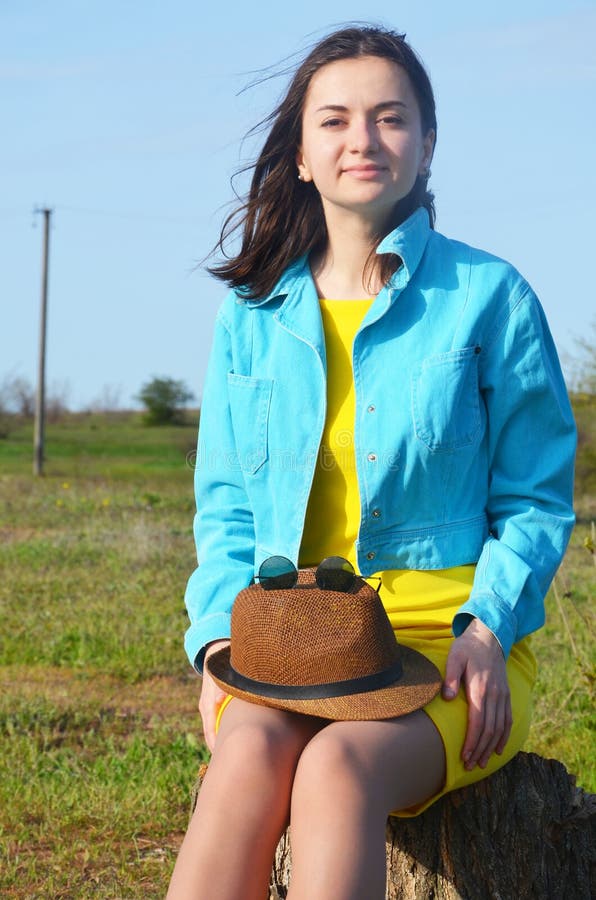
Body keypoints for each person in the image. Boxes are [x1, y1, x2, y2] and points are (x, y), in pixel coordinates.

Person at [167, 25, 576, 900]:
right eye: (336, 120)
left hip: (450, 645)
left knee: (339, 770)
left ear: (427, 144)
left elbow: (537, 500)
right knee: (244, 760)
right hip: (290, 647)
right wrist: (213, 649)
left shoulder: (490, 296)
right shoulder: (251, 315)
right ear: (304, 153)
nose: (363, 139)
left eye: (391, 118)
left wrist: (490, 628)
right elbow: (227, 506)